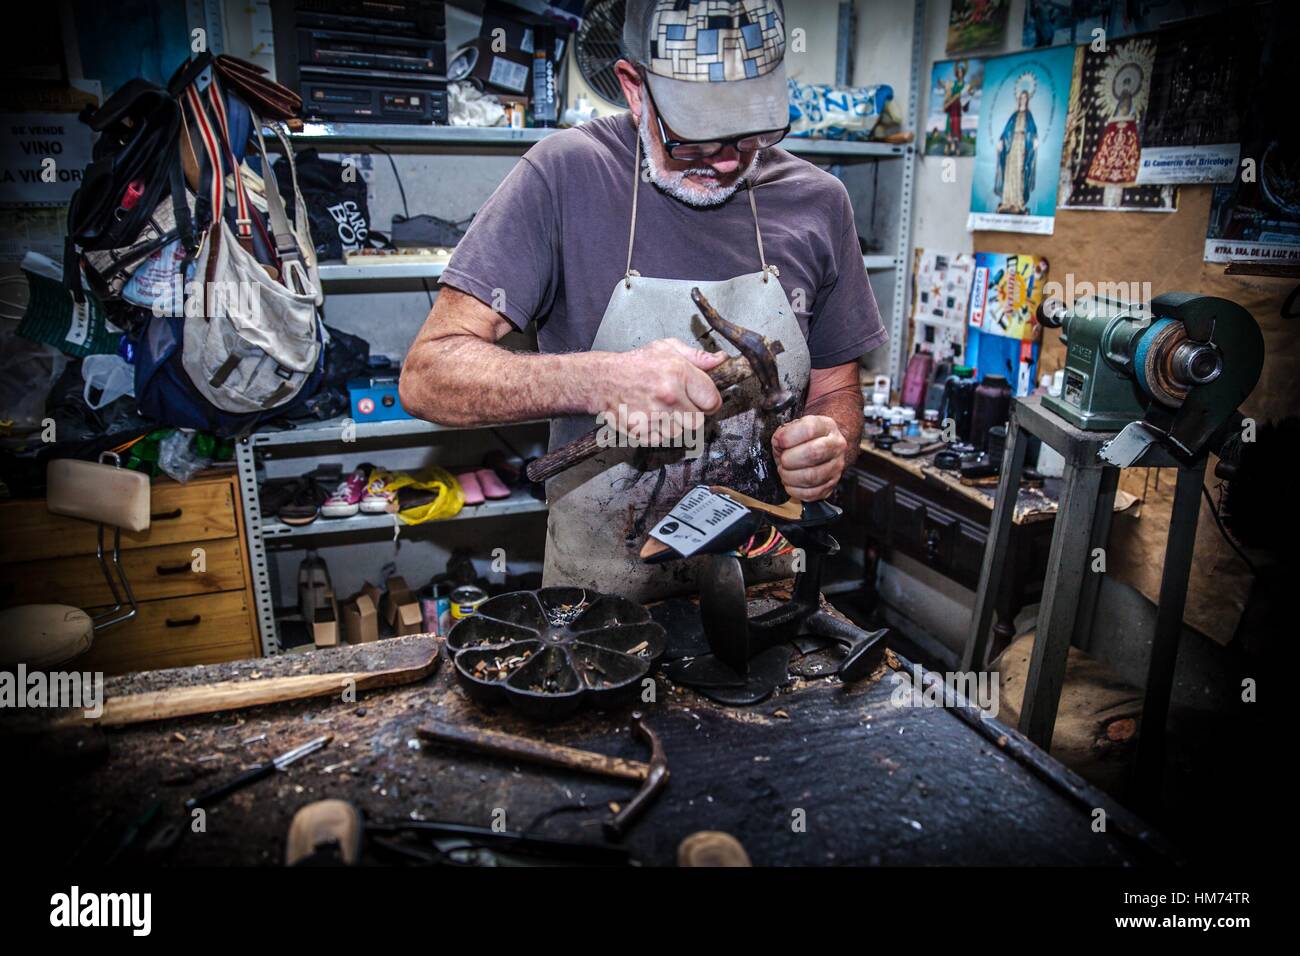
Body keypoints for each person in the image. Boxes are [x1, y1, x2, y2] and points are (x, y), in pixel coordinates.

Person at [399, 0, 887, 599]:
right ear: (634, 89)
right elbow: (428, 375)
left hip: (762, 594)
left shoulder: (819, 202)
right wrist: (600, 381)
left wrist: (828, 446)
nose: (729, 158)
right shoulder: (564, 176)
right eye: (695, 136)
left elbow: (837, 391)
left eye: (748, 130)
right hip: (601, 606)